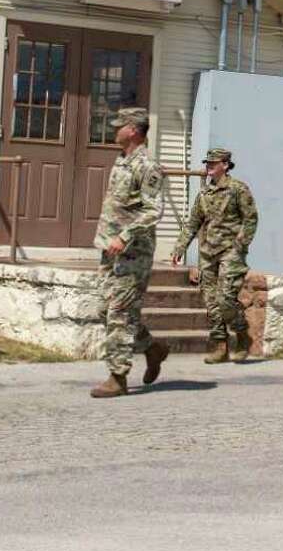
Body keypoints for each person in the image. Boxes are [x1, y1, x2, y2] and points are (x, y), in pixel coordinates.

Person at [90, 107, 169, 398]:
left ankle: (118, 377)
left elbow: (153, 211)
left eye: (119, 126)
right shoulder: (122, 160)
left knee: (120, 312)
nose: (115, 130)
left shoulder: (147, 166)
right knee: (104, 309)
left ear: (133, 130)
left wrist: (125, 236)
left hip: (133, 253)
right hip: (110, 249)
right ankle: (152, 348)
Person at [169, 146, 260, 363]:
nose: (209, 166)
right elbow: (193, 223)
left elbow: (250, 219)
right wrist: (180, 247)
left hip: (230, 252)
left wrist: (239, 246)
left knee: (225, 300)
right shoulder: (204, 193)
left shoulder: (238, 189)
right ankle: (220, 347)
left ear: (225, 165)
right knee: (211, 302)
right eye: (207, 163)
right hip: (208, 253)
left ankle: (242, 334)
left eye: (213, 163)